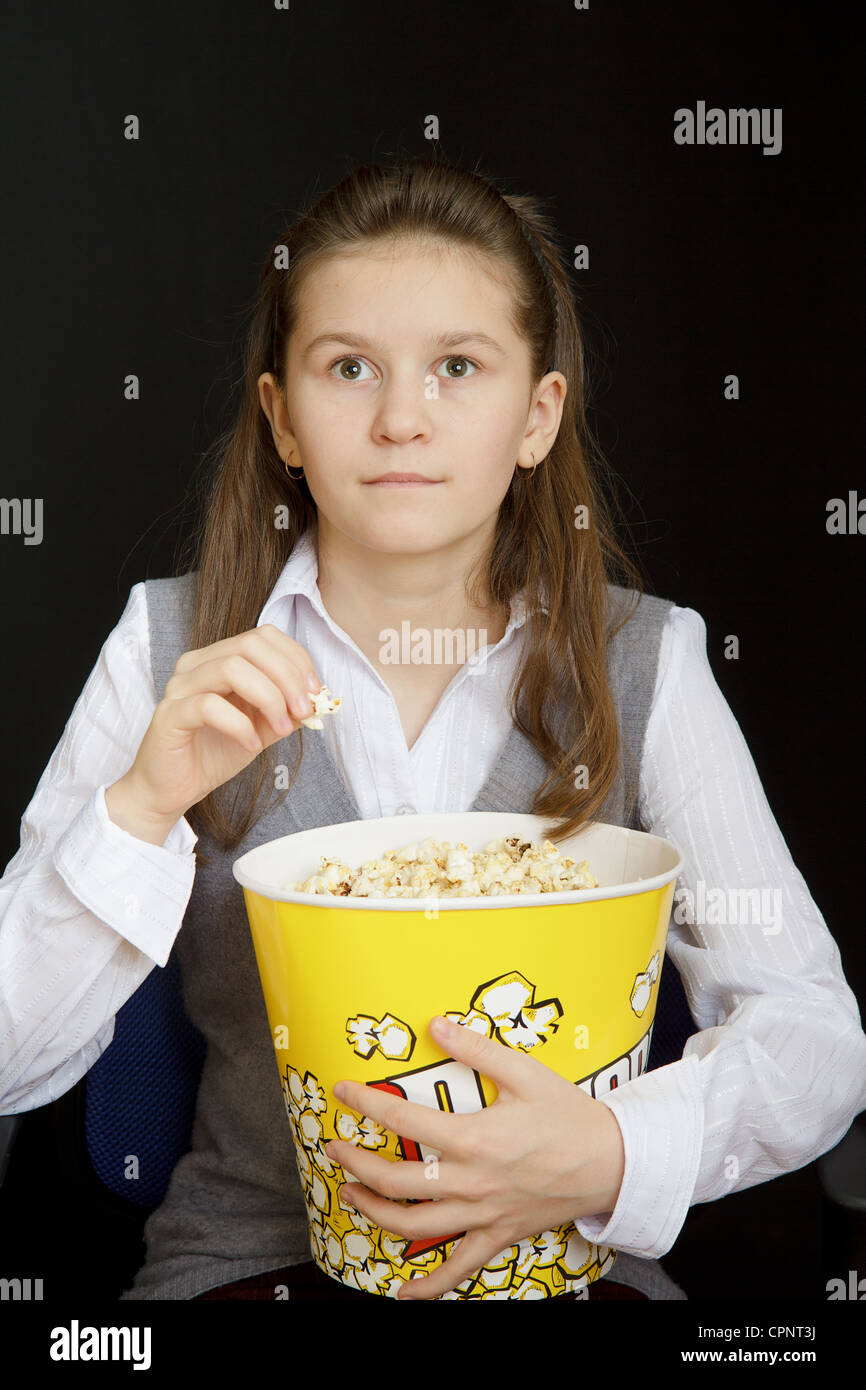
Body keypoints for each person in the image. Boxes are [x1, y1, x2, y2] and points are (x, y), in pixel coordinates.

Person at [1, 152, 865, 1303]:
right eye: (348, 366)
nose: (402, 418)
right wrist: (142, 804)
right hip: (245, 1269)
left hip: (570, 1276)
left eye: (457, 366)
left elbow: (812, 1034)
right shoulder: (164, 647)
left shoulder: (641, 661)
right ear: (284, 419)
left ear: (535, 415)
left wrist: (608, 1153)